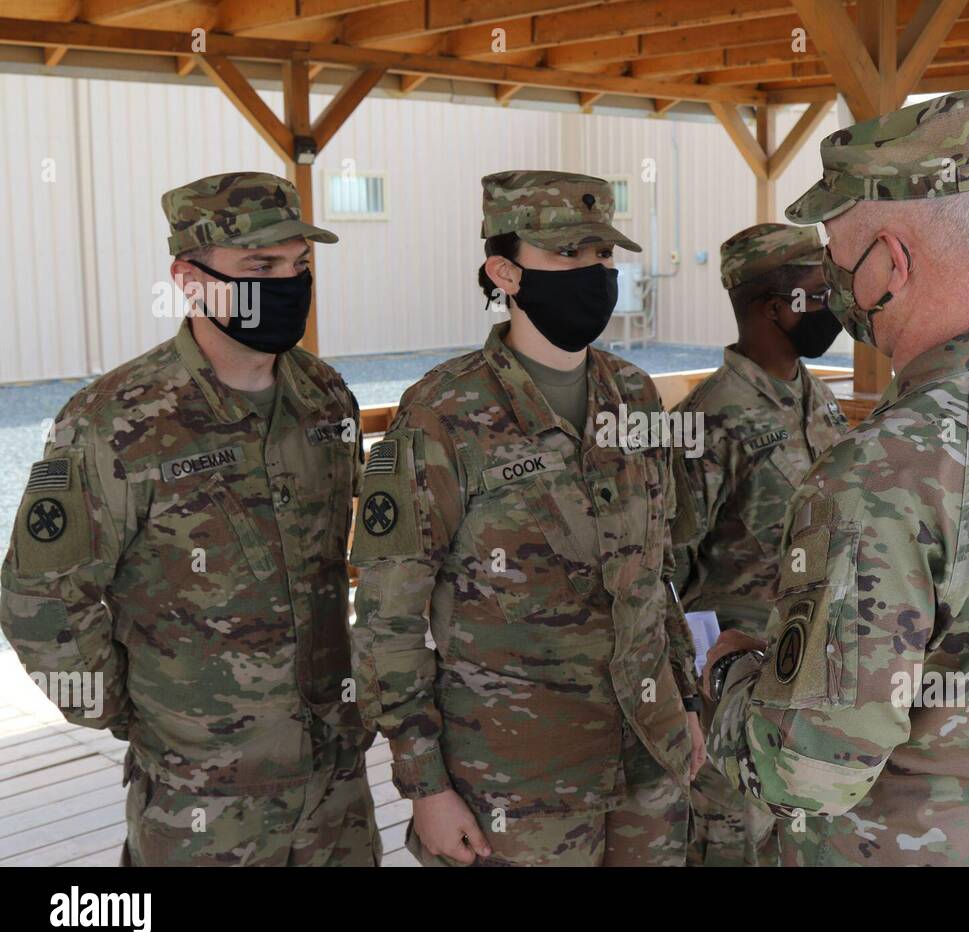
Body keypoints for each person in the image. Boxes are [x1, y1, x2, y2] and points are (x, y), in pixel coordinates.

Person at [702, 91, 969, 866]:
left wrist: (731, 670)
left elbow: (804, 769)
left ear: (891, 262)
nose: (830, 278)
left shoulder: (884, 471)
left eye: (836, 253)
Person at [0, 171, 379, 866]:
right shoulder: (112, 420)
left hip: (337, 782)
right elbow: (40, 594)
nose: (289, 283)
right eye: (261, 267)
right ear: (190, 278)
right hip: (203, 797)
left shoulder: (326, 397)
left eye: (299, 265)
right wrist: (131, 714)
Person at [349, 170, 705, 867]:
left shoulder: (632, 394)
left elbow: (655, 572)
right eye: (569, 256)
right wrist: (425, 786)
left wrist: (684, 700)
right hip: (516, 783)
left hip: (649, 756)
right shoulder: (442, 412)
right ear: (504, 271)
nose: (595, 274)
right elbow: (388, 620)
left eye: (603, 256)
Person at [671, 222, 850, 865]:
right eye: (817, 291)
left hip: (815, 679)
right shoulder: (707, 420)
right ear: (774, 307)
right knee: (732, 848)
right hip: (734, 692)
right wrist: (695, 694)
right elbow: (668, 569)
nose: (833, 301)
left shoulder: (821, 402)